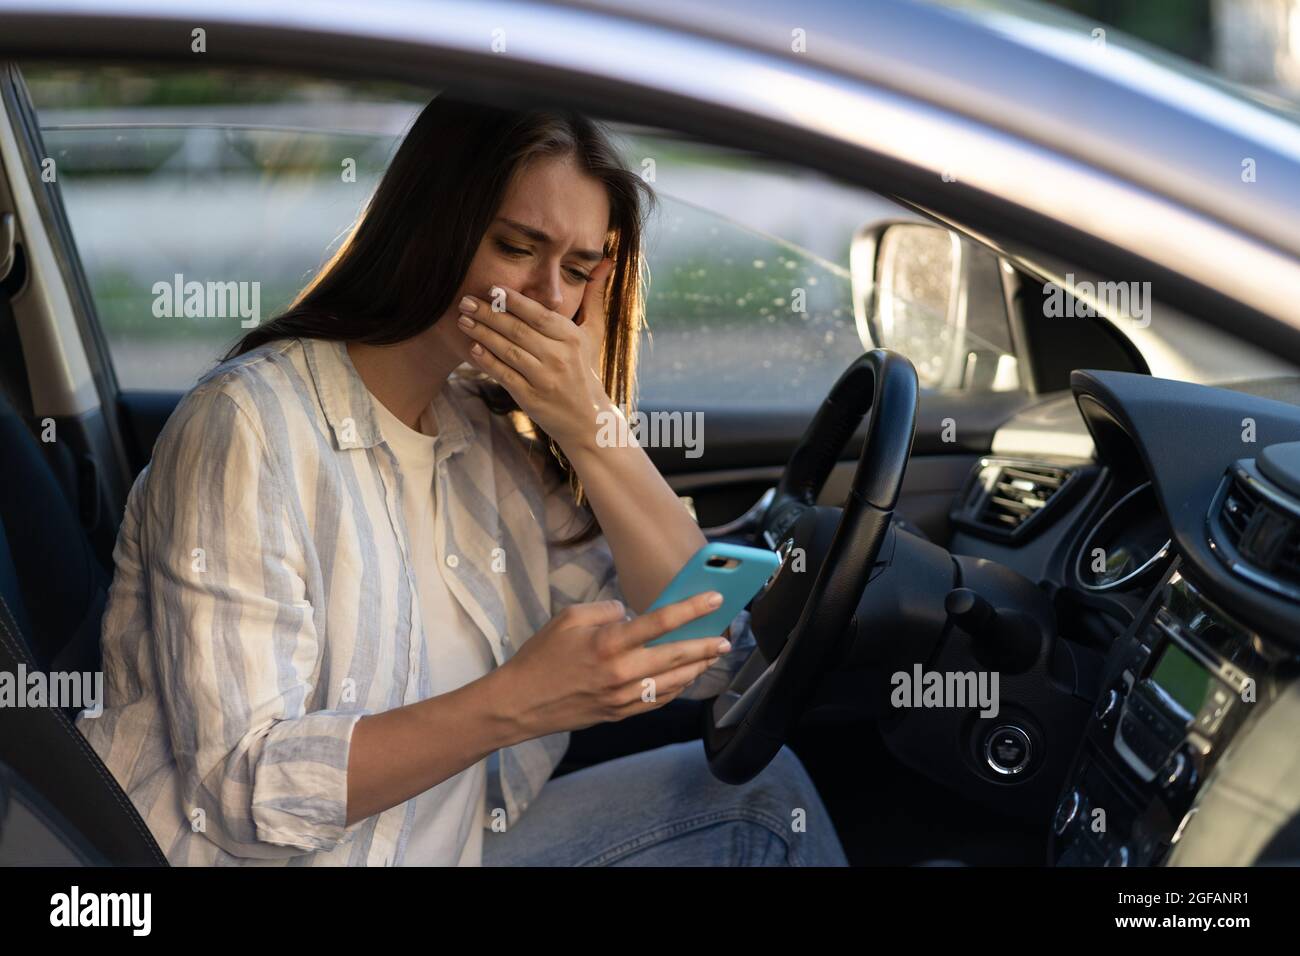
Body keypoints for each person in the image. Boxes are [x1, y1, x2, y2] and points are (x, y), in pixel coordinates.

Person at [77, 94, 848, 867]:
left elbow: (702, 655)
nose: (550, 298)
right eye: (518, 248)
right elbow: (243, 795)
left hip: (453, 846)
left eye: (578, 270)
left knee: (762, 803)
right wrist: (513, 704)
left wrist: (593, 427)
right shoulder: (248, 426)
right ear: (428, 228)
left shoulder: (482, 430)